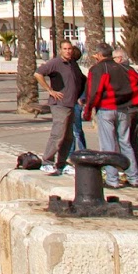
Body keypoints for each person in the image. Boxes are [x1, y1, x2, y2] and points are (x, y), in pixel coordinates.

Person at [82, 43, 138, 189]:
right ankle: (134, 177)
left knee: (108, 145)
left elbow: (94, 91)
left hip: (106, 109)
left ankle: (112, 179)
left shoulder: (98, 69)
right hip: (124, 109)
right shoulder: (124, 68)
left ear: (99, 55)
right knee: (125, 143)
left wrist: (88, 110)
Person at [34, 39, 85, 174]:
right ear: (60, 50)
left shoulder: (72, 63)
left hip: (71, 103)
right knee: (58, 134)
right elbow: (38, 73)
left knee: (68, 136)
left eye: (70, 49)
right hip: (59, 104)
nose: (68, 51)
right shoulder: (55, 63)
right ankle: (47, 161)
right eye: (65, 49)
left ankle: (62, 163)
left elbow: (80, 80)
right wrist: (49, 90)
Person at [113, 46, 138, 172]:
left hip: (126, 110)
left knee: (124, 141)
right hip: (133, 109)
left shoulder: (120, 72)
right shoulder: (132, 71)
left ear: (119, 59)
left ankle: (127, 168)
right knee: (132, 139)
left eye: (114, 58)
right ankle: (136, 163)